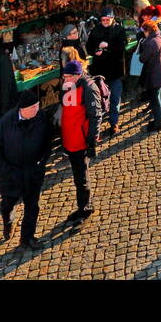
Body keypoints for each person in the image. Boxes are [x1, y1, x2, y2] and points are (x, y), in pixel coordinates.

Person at [0, 88, 54, 251]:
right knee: (8, 204)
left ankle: (27, 238)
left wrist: (42, 162)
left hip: (33, 172)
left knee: (32, 206)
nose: (37, 110)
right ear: (22, 109)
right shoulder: (5, 123)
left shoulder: (42, 118)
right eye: (33, 107)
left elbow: (48, 141)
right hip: (11, 176)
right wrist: (6, 172)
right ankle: (8, 223)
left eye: (38, 106)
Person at [59, 60, 101, 223]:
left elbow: (95, 116)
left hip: (81, 141)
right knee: (78, 177)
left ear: (77, 75)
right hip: (71, 139)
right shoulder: (69, 85)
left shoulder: (89, 88)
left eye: (68, 76)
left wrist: (91, 142)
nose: (65, 79)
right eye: (64, 76)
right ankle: (83, 206)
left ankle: (85, 208)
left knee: (82, 178)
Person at [86, 6, 128, 136]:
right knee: (100, 99)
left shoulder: (119, 30)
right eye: (103, 20)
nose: (104, 22)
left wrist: (108, 46)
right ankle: (98, 123)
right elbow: (89, 47)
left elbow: (122, 47)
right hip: (100, 72)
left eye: (107, 20)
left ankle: (114, 122)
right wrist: (95, 51)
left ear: (112, 18)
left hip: (115, 70)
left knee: (115, 98)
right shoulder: (95, 30)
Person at [137, 9, 161, 133]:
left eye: (144, 31)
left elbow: (142, 58)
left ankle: (158, 123)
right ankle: (158, 120)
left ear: (148, 31)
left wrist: (141, 49)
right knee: (159, 97)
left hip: (155, 74)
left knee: (156, 101)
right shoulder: (159, 37)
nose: (143, 34)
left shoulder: (150, 42)